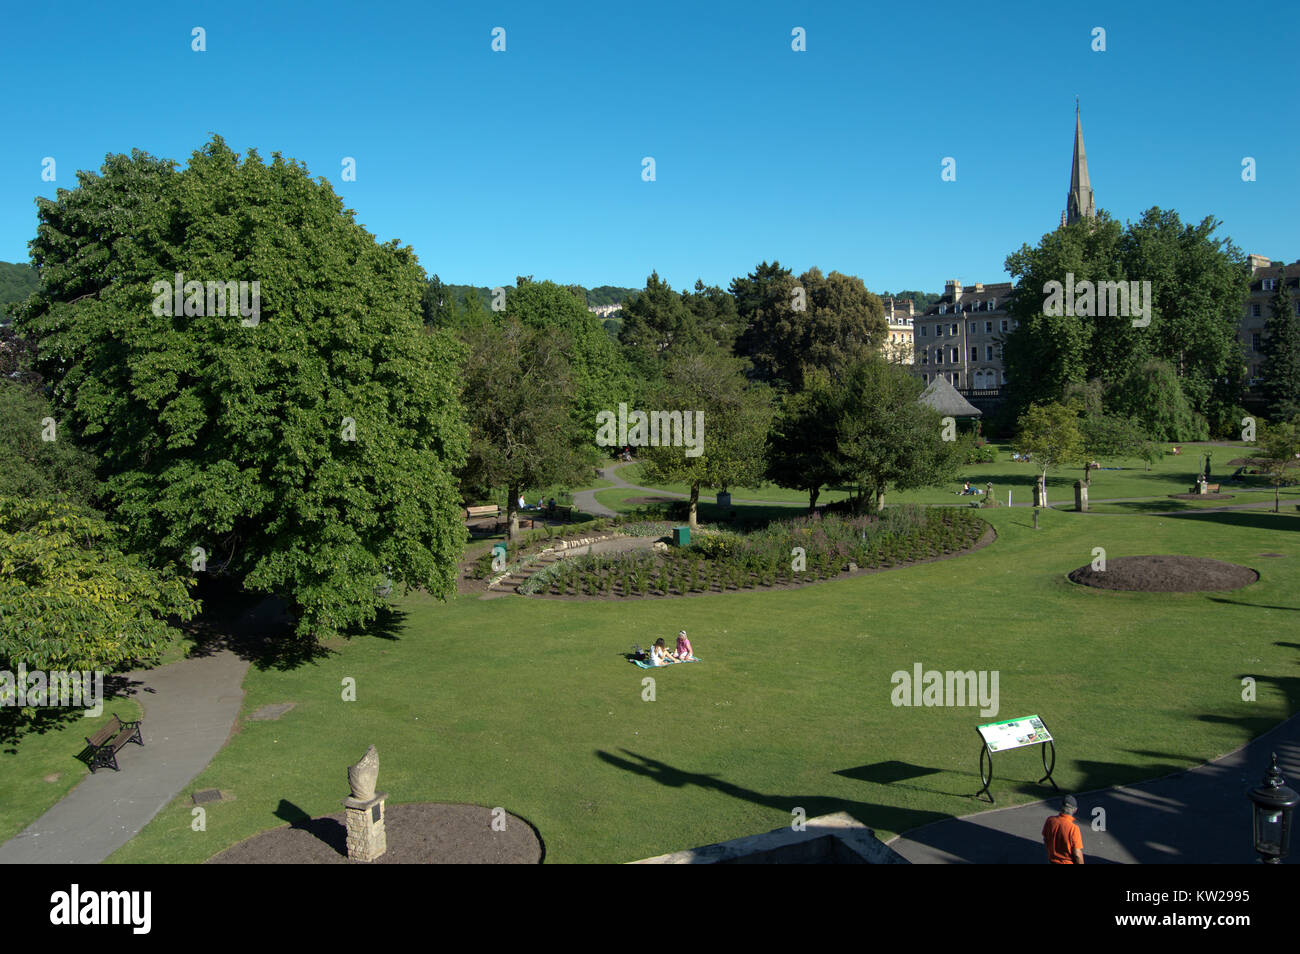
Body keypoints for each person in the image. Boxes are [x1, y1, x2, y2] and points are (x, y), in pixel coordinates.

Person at [1042, 795, 1084, 864]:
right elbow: (1077, 854)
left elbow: (1046, 840)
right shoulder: (1073, 828)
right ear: (1075, 810)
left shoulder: (1050, 820)